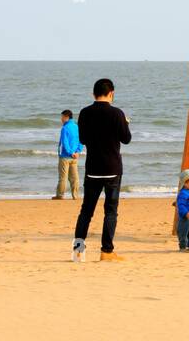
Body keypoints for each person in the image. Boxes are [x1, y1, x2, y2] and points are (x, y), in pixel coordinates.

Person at [71, 79, 131, 262]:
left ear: (93, 94)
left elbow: (82, 139)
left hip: (93, 168)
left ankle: (78, 251)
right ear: (111, 93)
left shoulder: (85, 113)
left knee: (86, 211)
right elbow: (126, 139)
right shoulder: (117, 114)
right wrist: (125, 123)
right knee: (110, 211)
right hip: (112, 168)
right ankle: (106, 251)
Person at [54, 108, 82, 200]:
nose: (61, 119)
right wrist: (77, 152)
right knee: (75, 177)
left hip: (65, 156)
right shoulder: (77, 127)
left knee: (63, 177)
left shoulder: (65, 128)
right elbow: (81, 141)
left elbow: (65, 143)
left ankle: (60, 195)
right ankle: (75, 195)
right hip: (74, 156)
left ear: (66, 117)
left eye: (62, 117)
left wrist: (70, 152)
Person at [174, 169, 189, 251]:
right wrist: (185, 212)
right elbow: (181, 205)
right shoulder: (183, 193)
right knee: (183, 232)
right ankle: (183, 247)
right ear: (185, 183)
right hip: (185, 218)